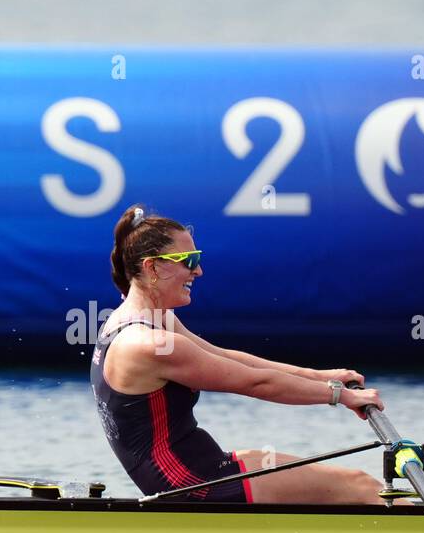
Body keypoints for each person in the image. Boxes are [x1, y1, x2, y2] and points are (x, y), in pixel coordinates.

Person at [91, 204, 387, 504]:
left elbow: (227, 358)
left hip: (205, 468)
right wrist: (341, 396)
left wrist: (322, 377)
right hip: (195, 487)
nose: (198, 270)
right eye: (188, 260)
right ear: (153, 267)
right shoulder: (148, 344)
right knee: (362, 487)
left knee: (350, 486)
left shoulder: (141, 319)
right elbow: (255, 384)